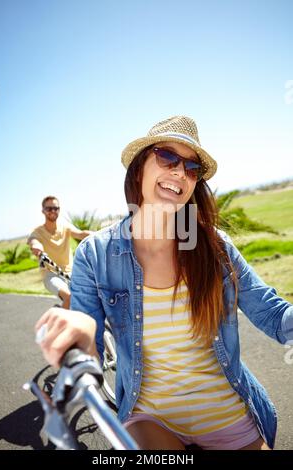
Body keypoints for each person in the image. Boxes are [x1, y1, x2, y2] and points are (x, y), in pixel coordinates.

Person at [35, 116, 293, 450]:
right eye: (167, 157)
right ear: (139, 168)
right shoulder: (95, 255)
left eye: (191, 168)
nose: (179, 172)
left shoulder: (215, 247)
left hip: (227, 414)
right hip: (150, 417)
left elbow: (273, 314)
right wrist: (81, 342)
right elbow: (91, 352)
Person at [27, 195, 92, 308]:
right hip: (52, 275)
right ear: (43, 211)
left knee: (93, 295)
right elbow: (34, 241)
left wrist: (102, 235)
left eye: (56, 208)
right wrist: (37, 248)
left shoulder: (65, 227)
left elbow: (81, 234)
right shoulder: (38, 232)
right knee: (69, 297)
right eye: (49, 208)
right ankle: (59, 321)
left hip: (72, 273)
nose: (53, 211)